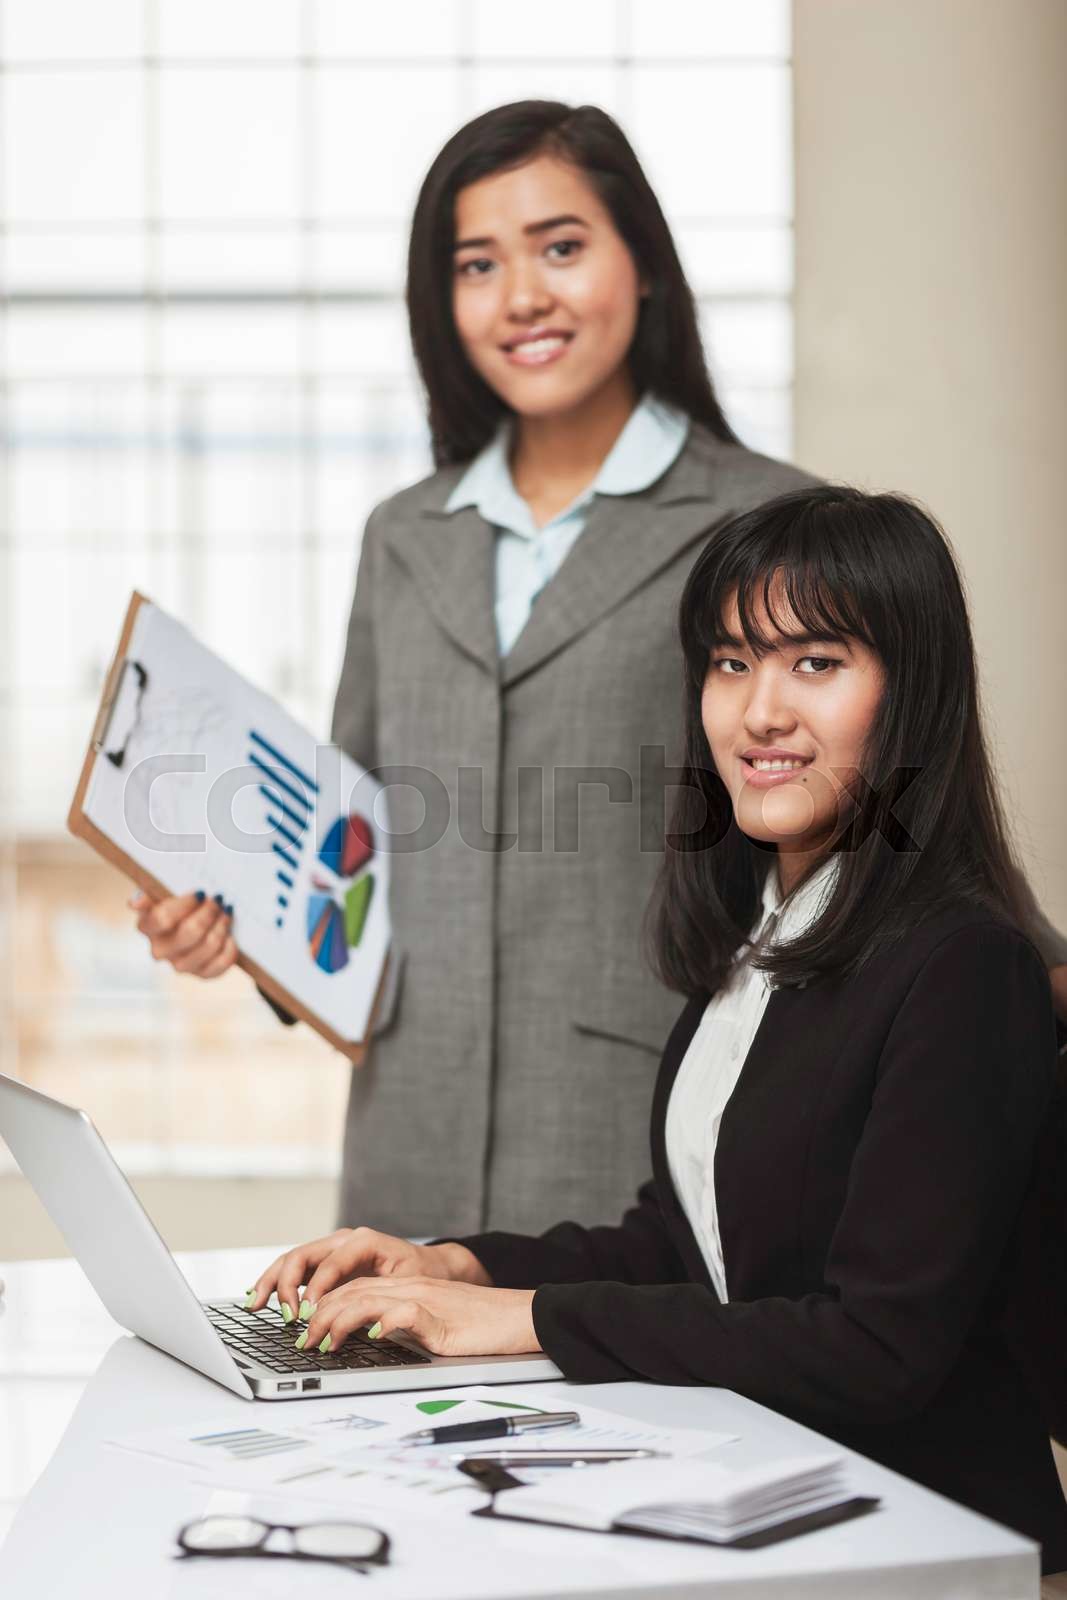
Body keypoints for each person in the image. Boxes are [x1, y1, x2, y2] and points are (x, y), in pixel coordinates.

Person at [128, 100, 1067, 1240]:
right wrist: (248, 936)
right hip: (406, 1139)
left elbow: (891, 831)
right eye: (477, 264)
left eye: (560, 246)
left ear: (644, 266)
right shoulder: (403, 534)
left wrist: (1020, 971)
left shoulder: (762, 517)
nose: (522, 295)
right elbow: (356, 836)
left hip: (646, 1142)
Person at [247, 487, 1067, 1572]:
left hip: (919, 1536)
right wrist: (451, 1265)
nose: (756, 713)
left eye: (813, 663)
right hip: (755, 1487)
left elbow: (878, 1347)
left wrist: (530, 1318)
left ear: (909, 693)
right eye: (729, 663)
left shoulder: (961, 963)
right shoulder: (760, 933)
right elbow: (685, 1239)